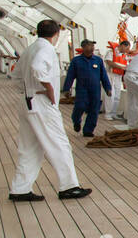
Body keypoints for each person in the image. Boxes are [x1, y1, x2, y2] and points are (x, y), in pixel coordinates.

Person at [8, 19, 91, 203]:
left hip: (27, 100)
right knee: (59, 144)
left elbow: (15, 77)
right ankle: (69, 186)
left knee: (29, 148)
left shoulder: (29, 49)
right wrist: (49, 89)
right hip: (41, 102)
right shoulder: (46, 49)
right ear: (56, 34)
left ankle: (20, 189)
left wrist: (28, 90)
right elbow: (37, 68)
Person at [62, 39, 113, 137]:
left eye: (93, 46)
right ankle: (76, 120)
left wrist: (108, 88)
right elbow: (70, 76)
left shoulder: (98, 60)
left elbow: (104, 75)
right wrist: (66, 89)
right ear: (83, 47)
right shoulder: (76, 61)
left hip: (95, 90)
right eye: (90, 45)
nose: (92, 48)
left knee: (94, 110)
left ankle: (88, 130)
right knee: (80, 106)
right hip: (82, 89)